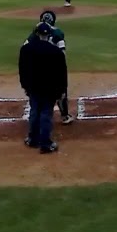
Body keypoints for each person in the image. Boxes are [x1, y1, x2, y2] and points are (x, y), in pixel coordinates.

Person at [18, 21, 67, 153]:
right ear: (49, 35)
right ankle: (45, 144)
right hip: (50, 89)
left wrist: (25, 86)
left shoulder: (26, 49)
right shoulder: (56, 52)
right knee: (46, 114)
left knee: (34, 112)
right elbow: (62, 73)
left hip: (33, 87)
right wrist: (62, 90)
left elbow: (22, 69)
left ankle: (33, 139)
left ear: (36, 33)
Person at [38, 10, 74, 124]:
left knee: (40, 92)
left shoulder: (35, 32)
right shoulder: (58, 33)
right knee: (61, 91)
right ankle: (64, 116)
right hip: (55, 67)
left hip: (40, 67)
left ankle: (38, 115)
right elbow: (62, 52)